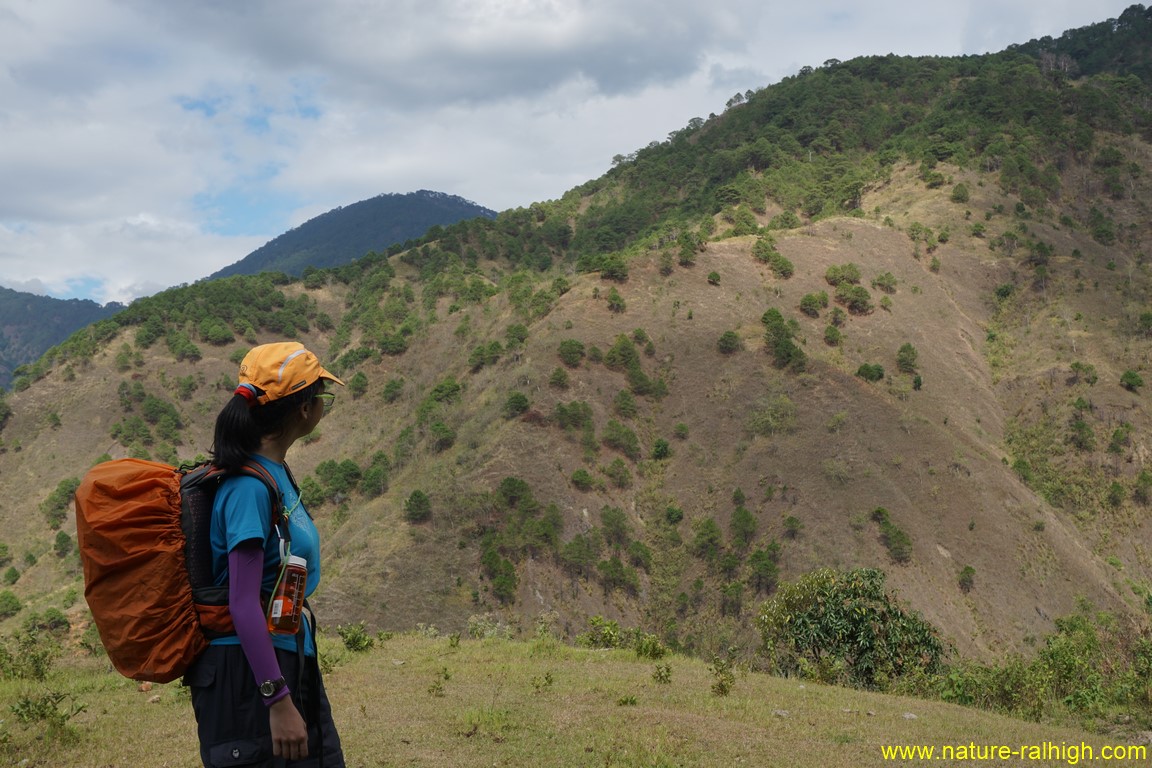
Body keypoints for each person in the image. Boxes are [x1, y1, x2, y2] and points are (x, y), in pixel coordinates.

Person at [185, 341, 347, 767]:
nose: (323, 406)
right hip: (250, 675)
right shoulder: (247, 489)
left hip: (285, 657)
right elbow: (241, 602)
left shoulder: (275, 475)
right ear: (304, 409)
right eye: (322, 396)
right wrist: (276, 699)